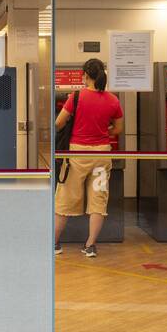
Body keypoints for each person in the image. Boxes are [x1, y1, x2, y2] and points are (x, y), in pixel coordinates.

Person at [53, 58, 124, 259]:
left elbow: (58, 123)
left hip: (77, 155)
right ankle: (90, 245)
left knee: (65, 199)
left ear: (85, 74)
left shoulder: (76, 97)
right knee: (98, 201)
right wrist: (102, 131)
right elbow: (118, 129)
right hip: (102, 154)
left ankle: (55, 243)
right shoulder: (113, 100)